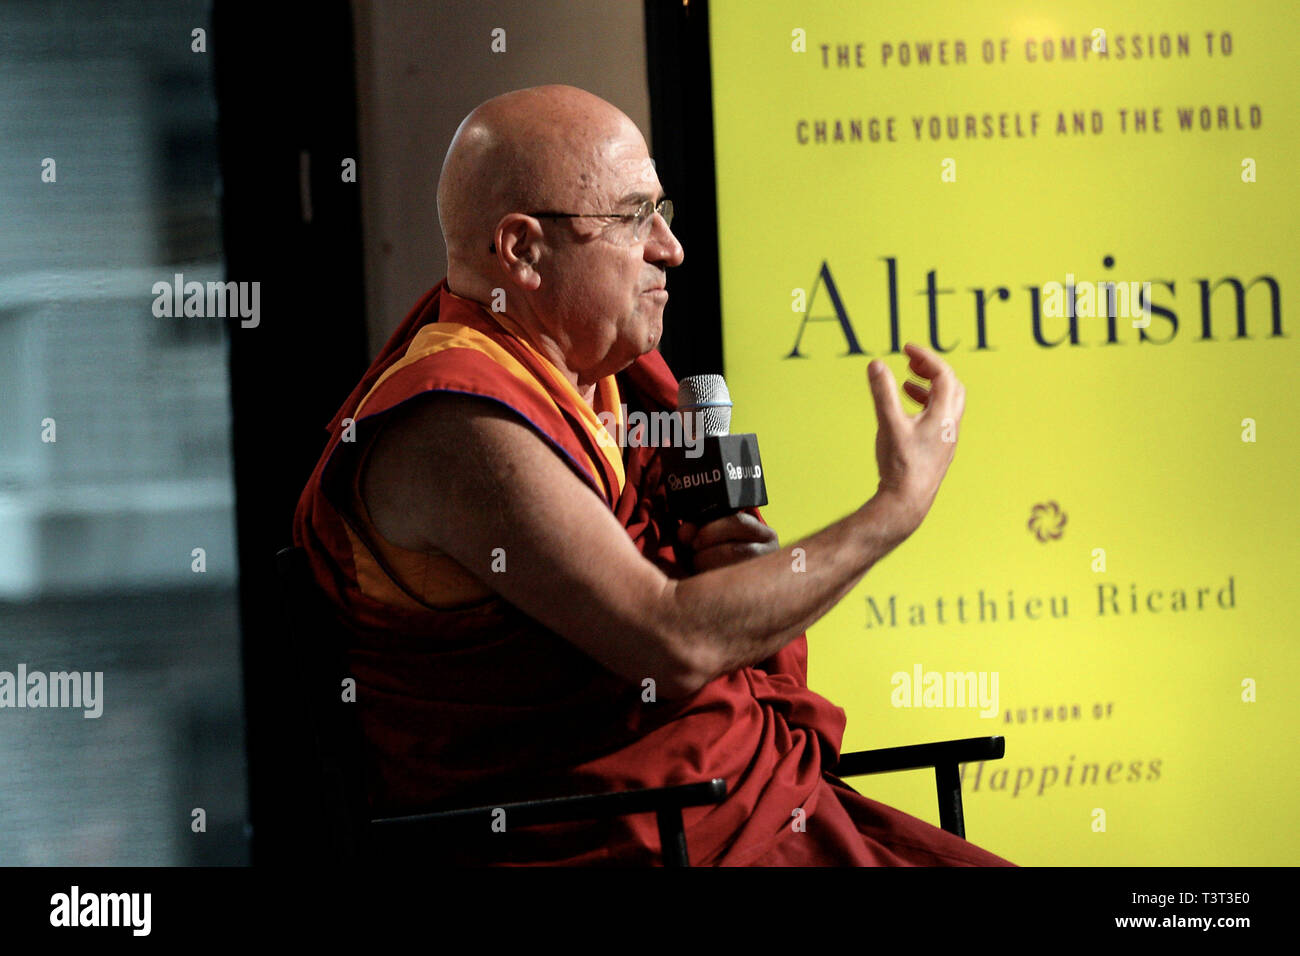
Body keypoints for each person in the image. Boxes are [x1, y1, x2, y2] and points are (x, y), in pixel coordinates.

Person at [293, 84, 1012, 866]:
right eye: (634, 217)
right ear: (522, 251)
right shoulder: (455, 424)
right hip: (628, 842)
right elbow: (672, 641)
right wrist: (895, 509)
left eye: (661, 212)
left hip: (734, 807)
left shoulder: (602, 380)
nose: (671, 247)